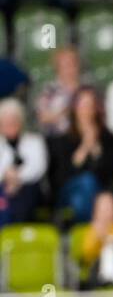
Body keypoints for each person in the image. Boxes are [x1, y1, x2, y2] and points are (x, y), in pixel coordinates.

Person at [49, 86, 113, 223]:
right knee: (86, 184)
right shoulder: (62, 140)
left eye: (91, 104)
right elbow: (62, 175)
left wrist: (96, 149)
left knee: (95, 194)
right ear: (74, 107)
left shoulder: (107, 138)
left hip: (101, 191)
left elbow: (112, 173)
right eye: (83, 104)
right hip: (69, 190)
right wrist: (85, 147)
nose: (87, 109)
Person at [0, 96, 47, 226]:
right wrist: (7, 175)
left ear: (21, 121)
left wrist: (17, 179)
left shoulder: (35, 141)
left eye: (14, 120)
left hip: (30, 188)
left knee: (21, 196)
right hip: (4, 189)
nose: (10, 124)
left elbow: (38, 168)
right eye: (6, 121)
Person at [34, 46, 81, 136]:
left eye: (72, 64)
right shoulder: (49, 91)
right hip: (57, 139)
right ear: (57, 68)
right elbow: (43, 118)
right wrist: (69, 112)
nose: (69, 69)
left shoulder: (87, 89)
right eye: (65, 65)